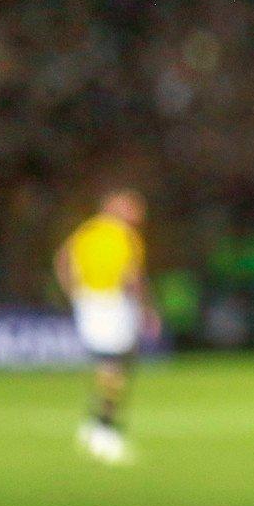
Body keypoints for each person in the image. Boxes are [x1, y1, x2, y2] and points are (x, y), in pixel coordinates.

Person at [54, 188, 157, 464]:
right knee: (116, 365)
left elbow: (62, 260)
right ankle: (105, 430)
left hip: (88, 302)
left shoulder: (84, 232)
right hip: (113, 303)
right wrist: (147, 310)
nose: (138, 214)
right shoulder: (124, 236)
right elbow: (133, 276)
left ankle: (94, 423)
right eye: (132, 207)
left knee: (107, 364)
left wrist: (74, 293)